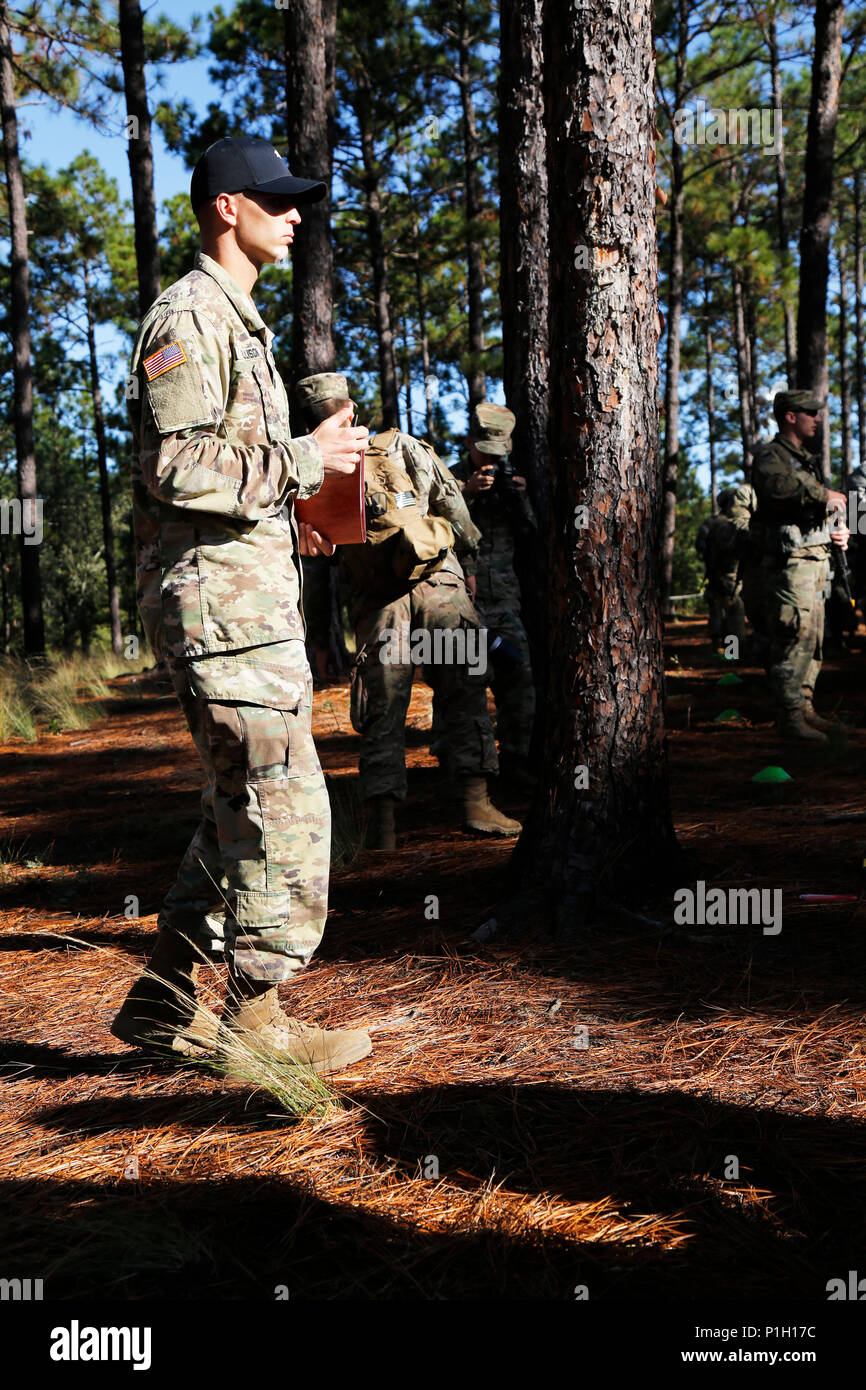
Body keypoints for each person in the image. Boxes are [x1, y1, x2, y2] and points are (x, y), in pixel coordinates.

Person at [111, 136, 372, 1071]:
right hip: (219, 616)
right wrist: (304, 461)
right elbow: (173, 466)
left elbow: (228, 476)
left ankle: (163, 1001)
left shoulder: (241, 325)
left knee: (239, 802)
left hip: (250, 607)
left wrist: (293, 512)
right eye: (277, 200)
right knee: (282, 802)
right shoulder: (189, 316)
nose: (295, 215)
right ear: (227, 207)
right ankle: (256, 1030)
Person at [294, 374, 521, 850]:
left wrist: (317, 632)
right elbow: (453, 507)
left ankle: (383, 827)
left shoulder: (304, 471)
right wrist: (470, 566)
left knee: (384, 707)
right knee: (464, 689)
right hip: (439, 584)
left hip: (378, 603)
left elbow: (315, 565)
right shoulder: (403, 447)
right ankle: (475, 801)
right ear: (350, 410)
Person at [444, 403, 537, 791]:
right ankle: (469, 778)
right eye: (485, 452)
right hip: (461, 605)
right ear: (471, 444)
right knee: (465, 690)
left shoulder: (513, 478)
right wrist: (466, 494)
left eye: (498, 454)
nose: (491, 461)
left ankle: (516, 761)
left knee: (521, 683)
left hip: (506, 603)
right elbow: (436, 533)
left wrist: (520, 499)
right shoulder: (449, 480)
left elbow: (531, 536)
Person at [749, 389, 850, 742]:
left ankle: (805, 708)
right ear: (790, 416)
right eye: (811, 413)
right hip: (791, 564)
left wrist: (838, 531)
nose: (817, 419)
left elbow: (818, 507)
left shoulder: (803, 459)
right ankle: (790, 717)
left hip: (815, 561)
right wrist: (828, 496)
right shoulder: (771, 457)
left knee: (812, 639)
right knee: (793, 637)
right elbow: (780, 490)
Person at [695, 488, 746, 649]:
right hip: (732, 575)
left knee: (716, 608)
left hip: (714, 572)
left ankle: (717, 647)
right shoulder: (735, 523)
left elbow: (700, 545)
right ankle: (732, 652)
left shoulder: (710, 523)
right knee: (733, 612)